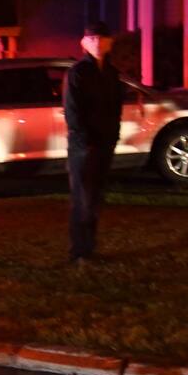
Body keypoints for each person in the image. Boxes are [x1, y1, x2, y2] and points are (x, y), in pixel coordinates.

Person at [62, 21, 123, 265]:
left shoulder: (111, 73)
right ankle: (79, 251)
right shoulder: (78, 73)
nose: (98, 43)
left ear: (110, 43)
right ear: (85, 43)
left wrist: (113, 136)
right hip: (84, 148)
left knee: (96, 197)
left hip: (105, 144)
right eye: (93, 39)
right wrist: (85, 142)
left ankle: (90, 247)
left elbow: (115, 108)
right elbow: (73, 112)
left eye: (102, 39)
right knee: (82, 199)